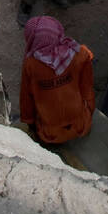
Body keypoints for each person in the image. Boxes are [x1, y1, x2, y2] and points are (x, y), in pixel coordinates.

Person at [19, 16, 95, 147]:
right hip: (81, 125)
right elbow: (87, 88)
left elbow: (26, 99)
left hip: (49, 134)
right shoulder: (77, 54)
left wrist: (29, 123)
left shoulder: (30, 65)